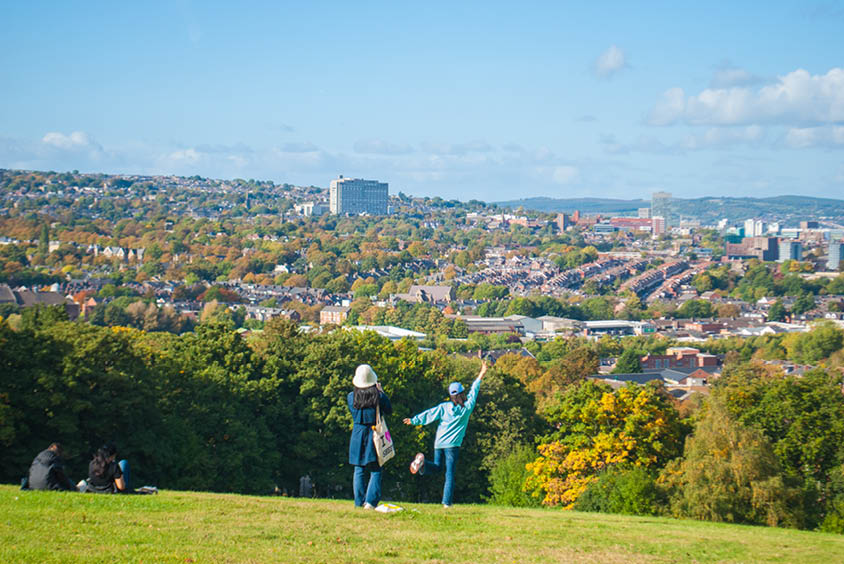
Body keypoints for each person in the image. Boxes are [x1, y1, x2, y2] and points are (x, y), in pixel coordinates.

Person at [403, 359, 487, 507]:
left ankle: (422, 464)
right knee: (449, 474)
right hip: (452, 445)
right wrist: (482, 373)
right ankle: (446, 503)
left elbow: (429, 414)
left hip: (439, 443)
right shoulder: (467, 409)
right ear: (462, 394)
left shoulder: (444, 407)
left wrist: (414, 420)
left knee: (437, 467)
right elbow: (474, 391)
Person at [347, 363, 392, 509]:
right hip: (374, 432)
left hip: (357, 433)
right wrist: (381, 392)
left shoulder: (350, 397)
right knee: (376, 468)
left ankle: (358, 502)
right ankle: (371, 502)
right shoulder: (378, 397)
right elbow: (389, 410)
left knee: (359, 468)